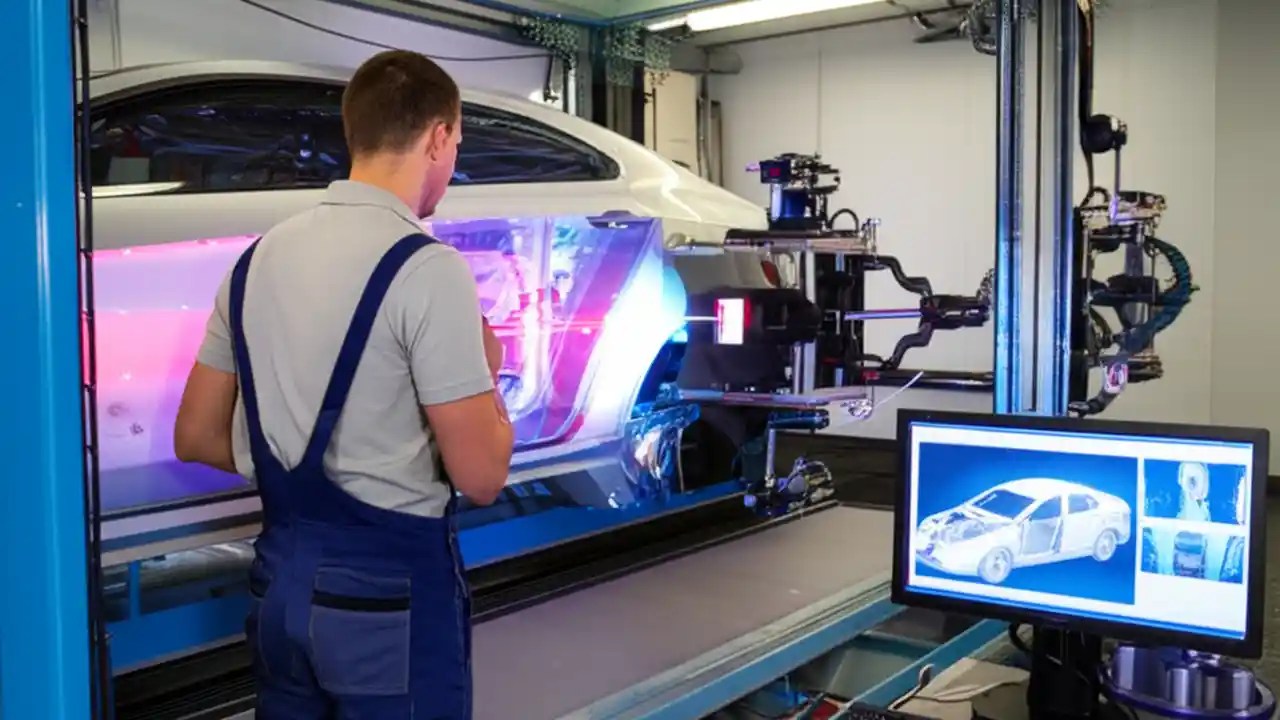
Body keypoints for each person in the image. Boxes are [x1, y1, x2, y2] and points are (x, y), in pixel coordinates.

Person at [172, 49, 514, 719]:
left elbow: (195, 435)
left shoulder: (256, 260)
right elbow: (482, 476)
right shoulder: (429, 269)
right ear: (438, 136)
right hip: (388, 603)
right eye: (456, 146)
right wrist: (489, 370)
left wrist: (282, 456)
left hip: (280, 589)